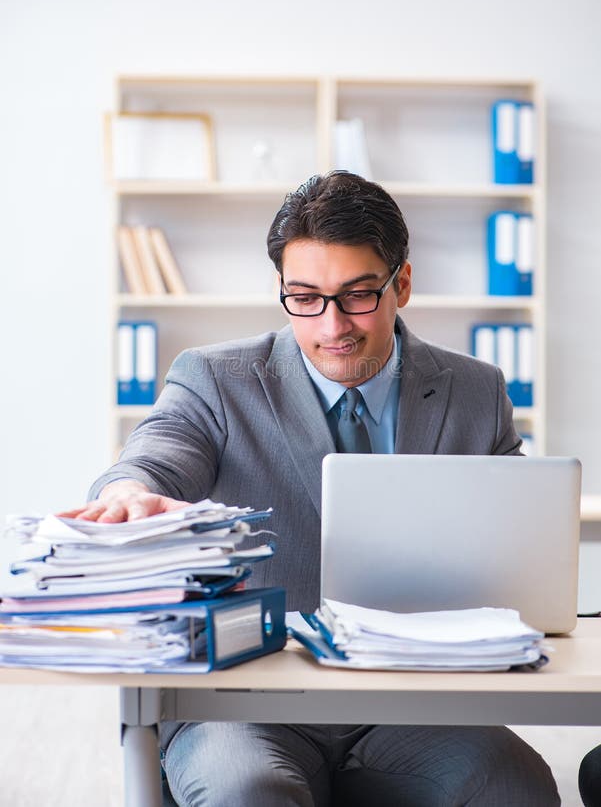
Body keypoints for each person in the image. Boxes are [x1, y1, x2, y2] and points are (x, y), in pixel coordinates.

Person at [64, 172, 559, 806]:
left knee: (515, 785)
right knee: (247, 792)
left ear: (401, 284)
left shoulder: (475, 390)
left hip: (413, 706)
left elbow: (516, 537)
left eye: (357, 296)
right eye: (305, 297)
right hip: (246, 701)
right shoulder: (216, 378)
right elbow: (158, 452)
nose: (332, 326)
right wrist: (131, 490)